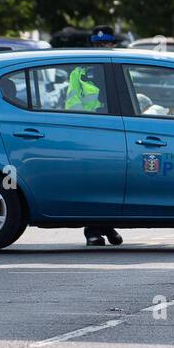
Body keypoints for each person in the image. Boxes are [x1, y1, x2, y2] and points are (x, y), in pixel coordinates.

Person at [71, 25, 122, 248]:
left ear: (113, 44)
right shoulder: (80, 71)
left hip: (117, 132)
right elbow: (72, 103)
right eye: (98, 44)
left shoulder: (118, 66)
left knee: (114, 181)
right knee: (94, 182)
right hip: (90, 131)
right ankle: (92, 230)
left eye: (106, 43)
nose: (102, 47)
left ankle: (108, 225)